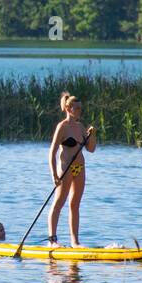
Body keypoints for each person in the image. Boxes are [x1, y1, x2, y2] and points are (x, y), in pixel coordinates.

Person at [47, 93, 97, 248]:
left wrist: (92, 136)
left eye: (81, 108)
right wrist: (54, 174)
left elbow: (91, 149)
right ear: (68, 108)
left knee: (75, 205)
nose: (80, 110)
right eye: (77, 108)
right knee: (58, 203)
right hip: (65, 169)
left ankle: (75, 242)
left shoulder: (80, 126)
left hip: (79, 168)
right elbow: (52, 152)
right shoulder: (62, 127)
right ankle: (52, 241)